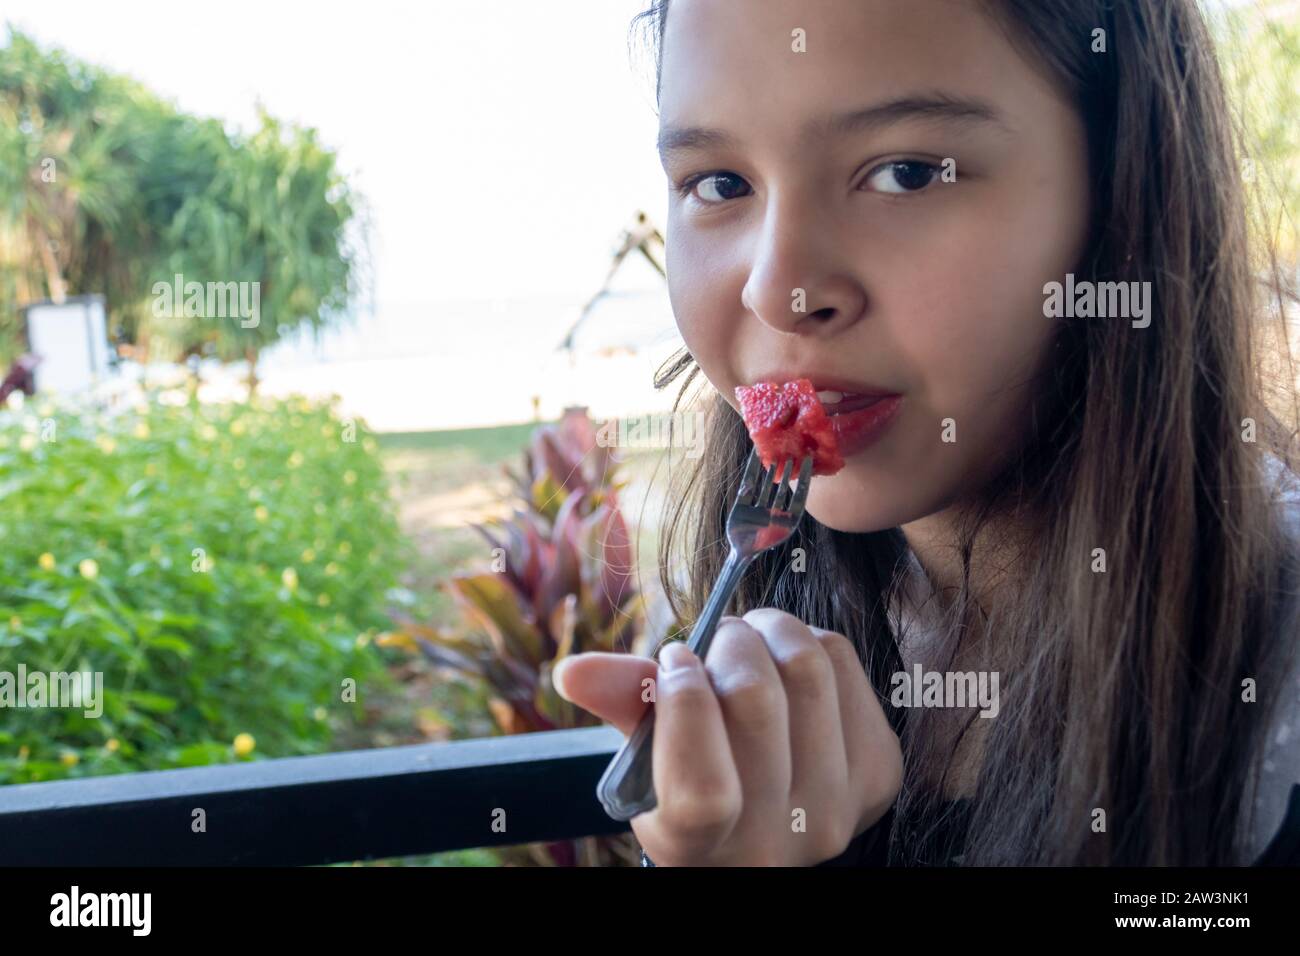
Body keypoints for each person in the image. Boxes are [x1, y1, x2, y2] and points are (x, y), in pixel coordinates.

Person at [551, 0, 1300, 866]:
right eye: (719, 184)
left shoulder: (1270, 689)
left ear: (1126, 189)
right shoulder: (736, 626)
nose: (778, 290)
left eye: (906, 172)